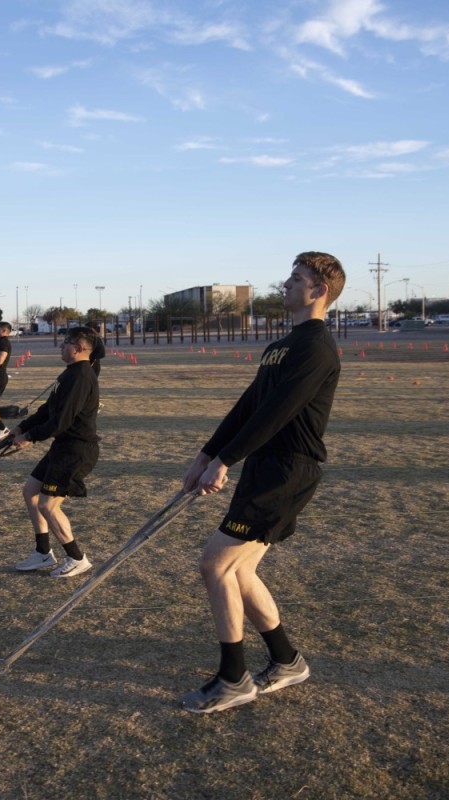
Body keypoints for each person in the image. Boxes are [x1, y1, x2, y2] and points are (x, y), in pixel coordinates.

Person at [178, 251, 345, 715]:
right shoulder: (283, 346)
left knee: (216, 565)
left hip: (287, 472)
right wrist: (206, 454)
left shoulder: (317, 347)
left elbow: (278, 413)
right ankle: (287, 660)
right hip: (266, 469)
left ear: (320, 291)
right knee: (239, 571)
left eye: (297, 279)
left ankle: (233, 679)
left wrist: (226, 459)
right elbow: (249, 405)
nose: (286, 285)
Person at [10, 325, 101, 579]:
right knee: (31, 491)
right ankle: (42, 553)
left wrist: (30, 437)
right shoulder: (69, 373)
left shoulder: (82, 376)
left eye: (66, 343)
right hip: (62, 447)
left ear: (79, 348)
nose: (61, 346)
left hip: (76, 450)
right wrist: (20, 427)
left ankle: (76, 558)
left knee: (49, 505)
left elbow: (62, 420)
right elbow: (48, 410)